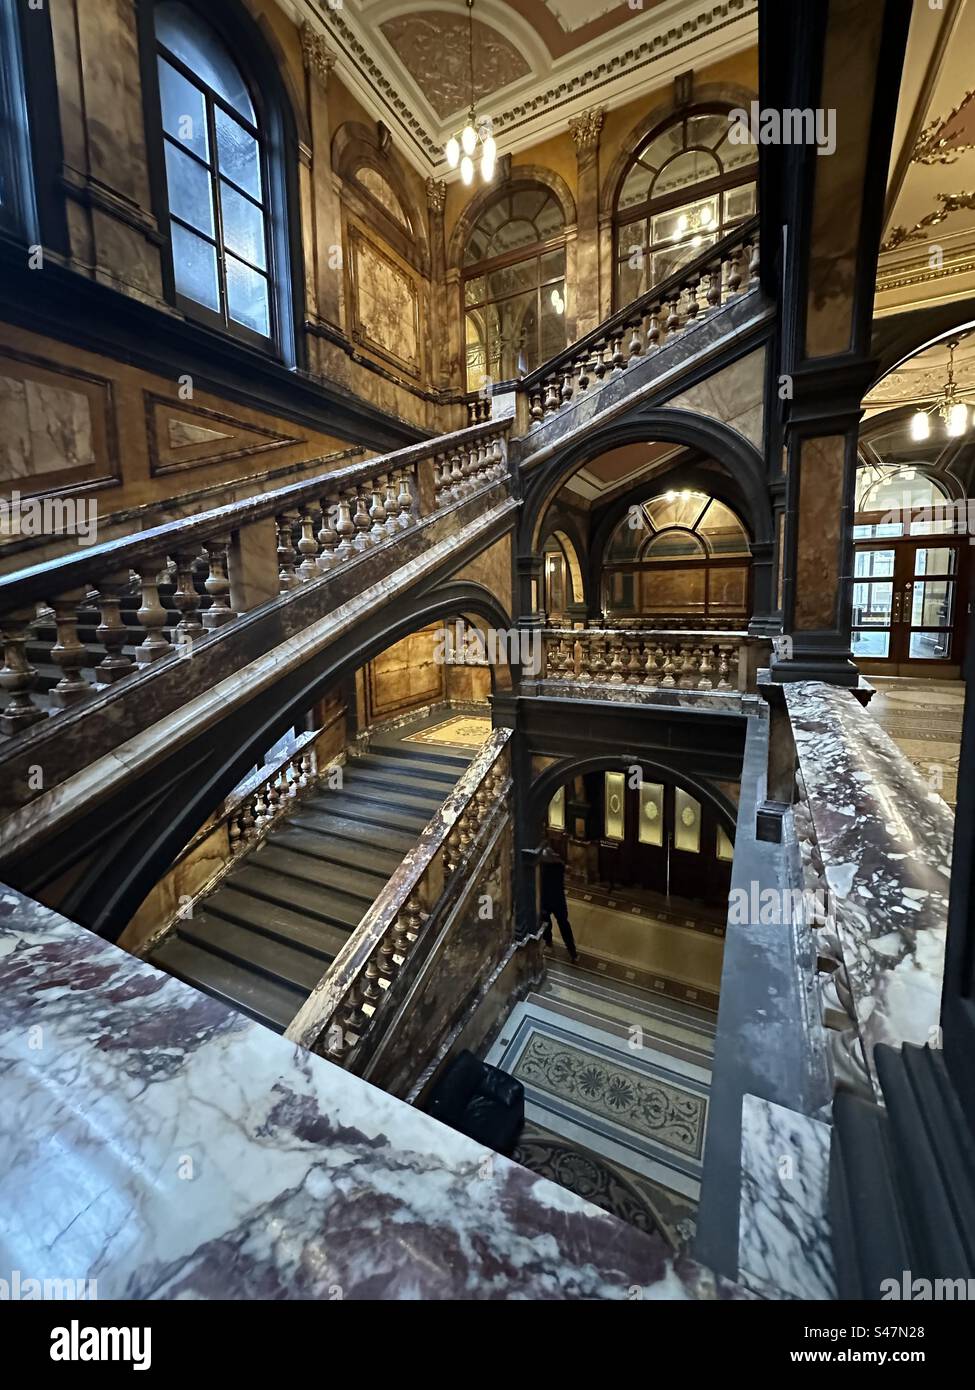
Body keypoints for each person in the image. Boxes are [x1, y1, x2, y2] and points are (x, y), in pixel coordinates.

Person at [538, 843, 579, 963]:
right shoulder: (559, 865)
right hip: (558, 899)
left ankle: (548, 940)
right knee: (564, 924)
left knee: (546, 921)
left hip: (545, 899)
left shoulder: (541, 867)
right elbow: (568, 870)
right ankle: (572, 952)